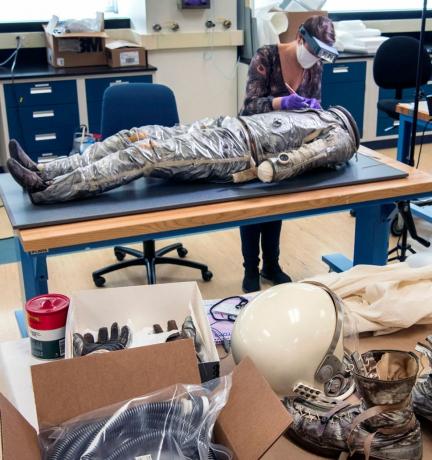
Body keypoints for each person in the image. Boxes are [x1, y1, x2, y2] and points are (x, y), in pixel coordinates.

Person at [6, 106, 358, 205]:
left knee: (147, 153)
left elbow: (302, 158)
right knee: (135, 135)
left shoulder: (340, 135)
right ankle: (47, 167)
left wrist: (273, 169)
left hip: (237, 152)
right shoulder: (321, 113)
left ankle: (48, 189)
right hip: (225, 127)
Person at [238, 15, 337, 293]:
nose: (316, 59)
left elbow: (315, 109)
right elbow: (249, 106)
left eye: (322, 55)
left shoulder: (315, 67)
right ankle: (250, 269)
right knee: (253, 207)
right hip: (255, 141)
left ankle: (271, 265)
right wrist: (283, 102)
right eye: (314, 51)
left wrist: (314, 110)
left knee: (275, 206)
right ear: (300, 39)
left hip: (286, 146)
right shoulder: (266, 56)